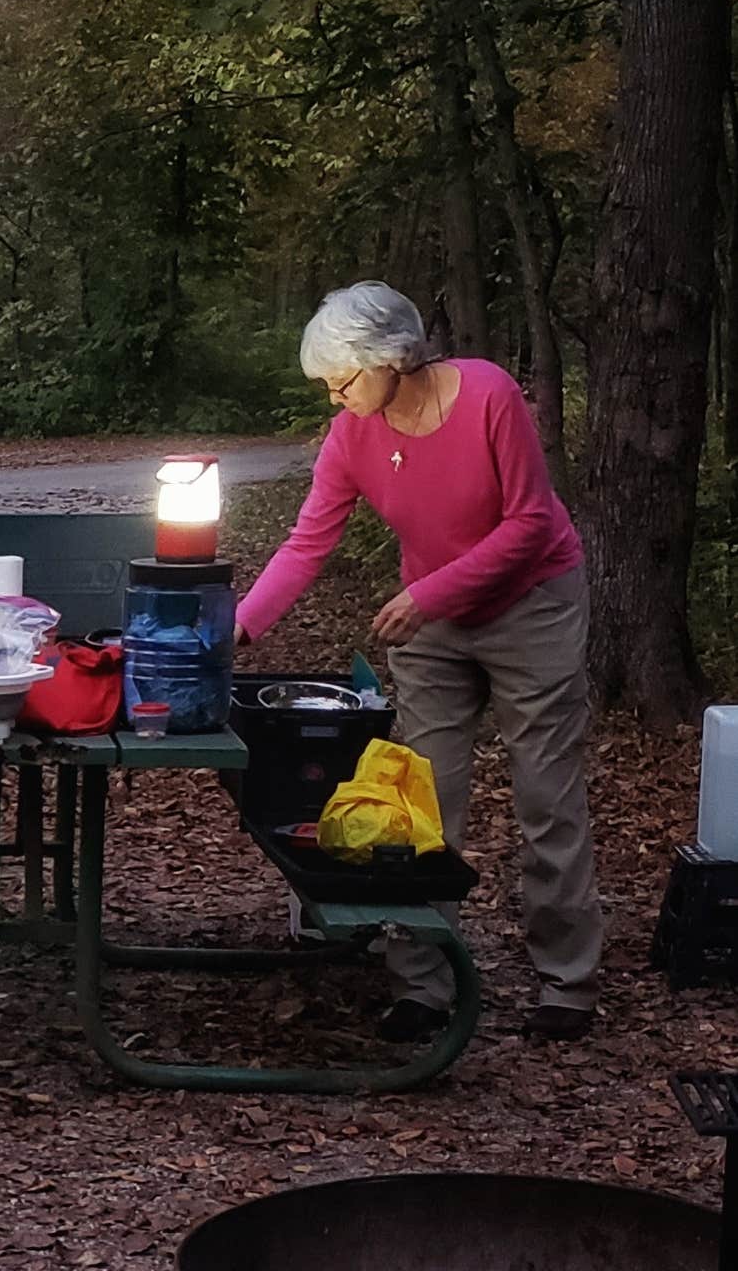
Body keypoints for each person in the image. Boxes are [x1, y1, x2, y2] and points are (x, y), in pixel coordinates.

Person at [236, 281, 602, 1043]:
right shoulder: (351, 436)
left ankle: (566, 981)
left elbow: (531, 523)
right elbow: (309, 542)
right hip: (434, 622)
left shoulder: (490, 397)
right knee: (419, 799)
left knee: (547, 796)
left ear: (393, 358)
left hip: (532, 606)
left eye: (344, 380)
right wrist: (239, 629)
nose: (336, 398)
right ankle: (424, 983)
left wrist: (430, 593)